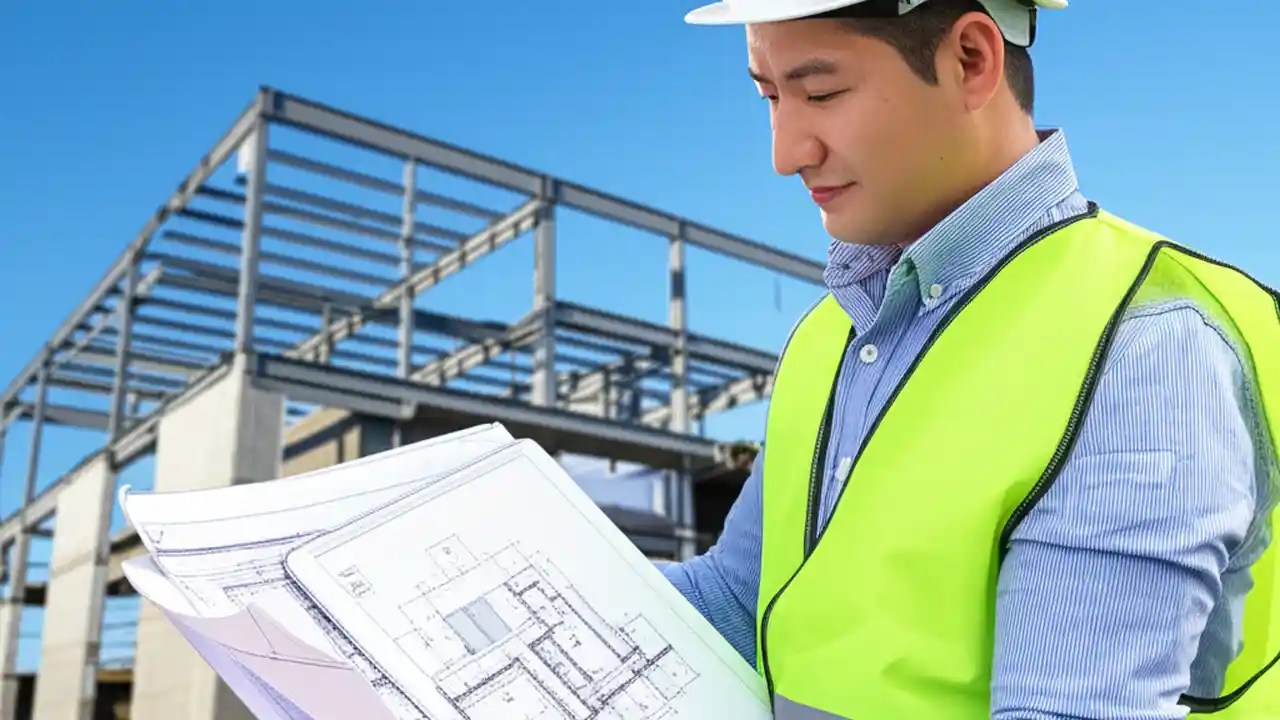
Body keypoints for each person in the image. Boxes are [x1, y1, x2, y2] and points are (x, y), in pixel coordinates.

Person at [656, 0, 1280, 718]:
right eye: (770, 97)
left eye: (821, 93)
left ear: (971, 60)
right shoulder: (830, 337)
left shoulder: (1141, 348)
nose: (786, 153)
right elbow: (739, 605)